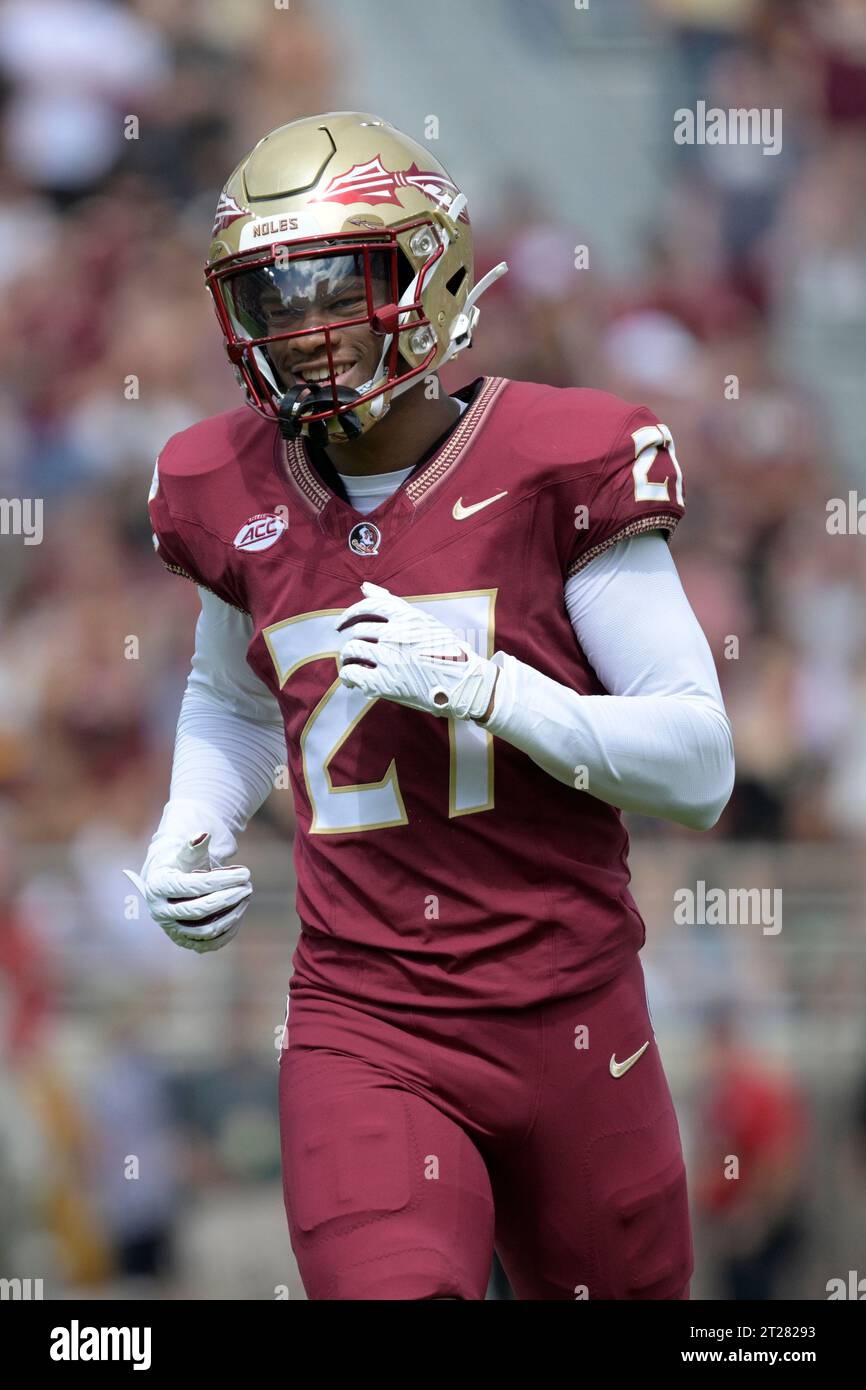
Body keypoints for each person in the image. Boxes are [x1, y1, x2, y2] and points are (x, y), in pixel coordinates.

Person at [126, 112, 735, 1300]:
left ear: (430, 266)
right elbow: (233, 700)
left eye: (336, 283)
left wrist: (492, 687)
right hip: (364, 1023)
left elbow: (699, 764)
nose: (301, 330)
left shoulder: (562, 458)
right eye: (269, 296)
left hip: (571, 1012)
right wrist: (186, 820)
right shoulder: (221, 481)